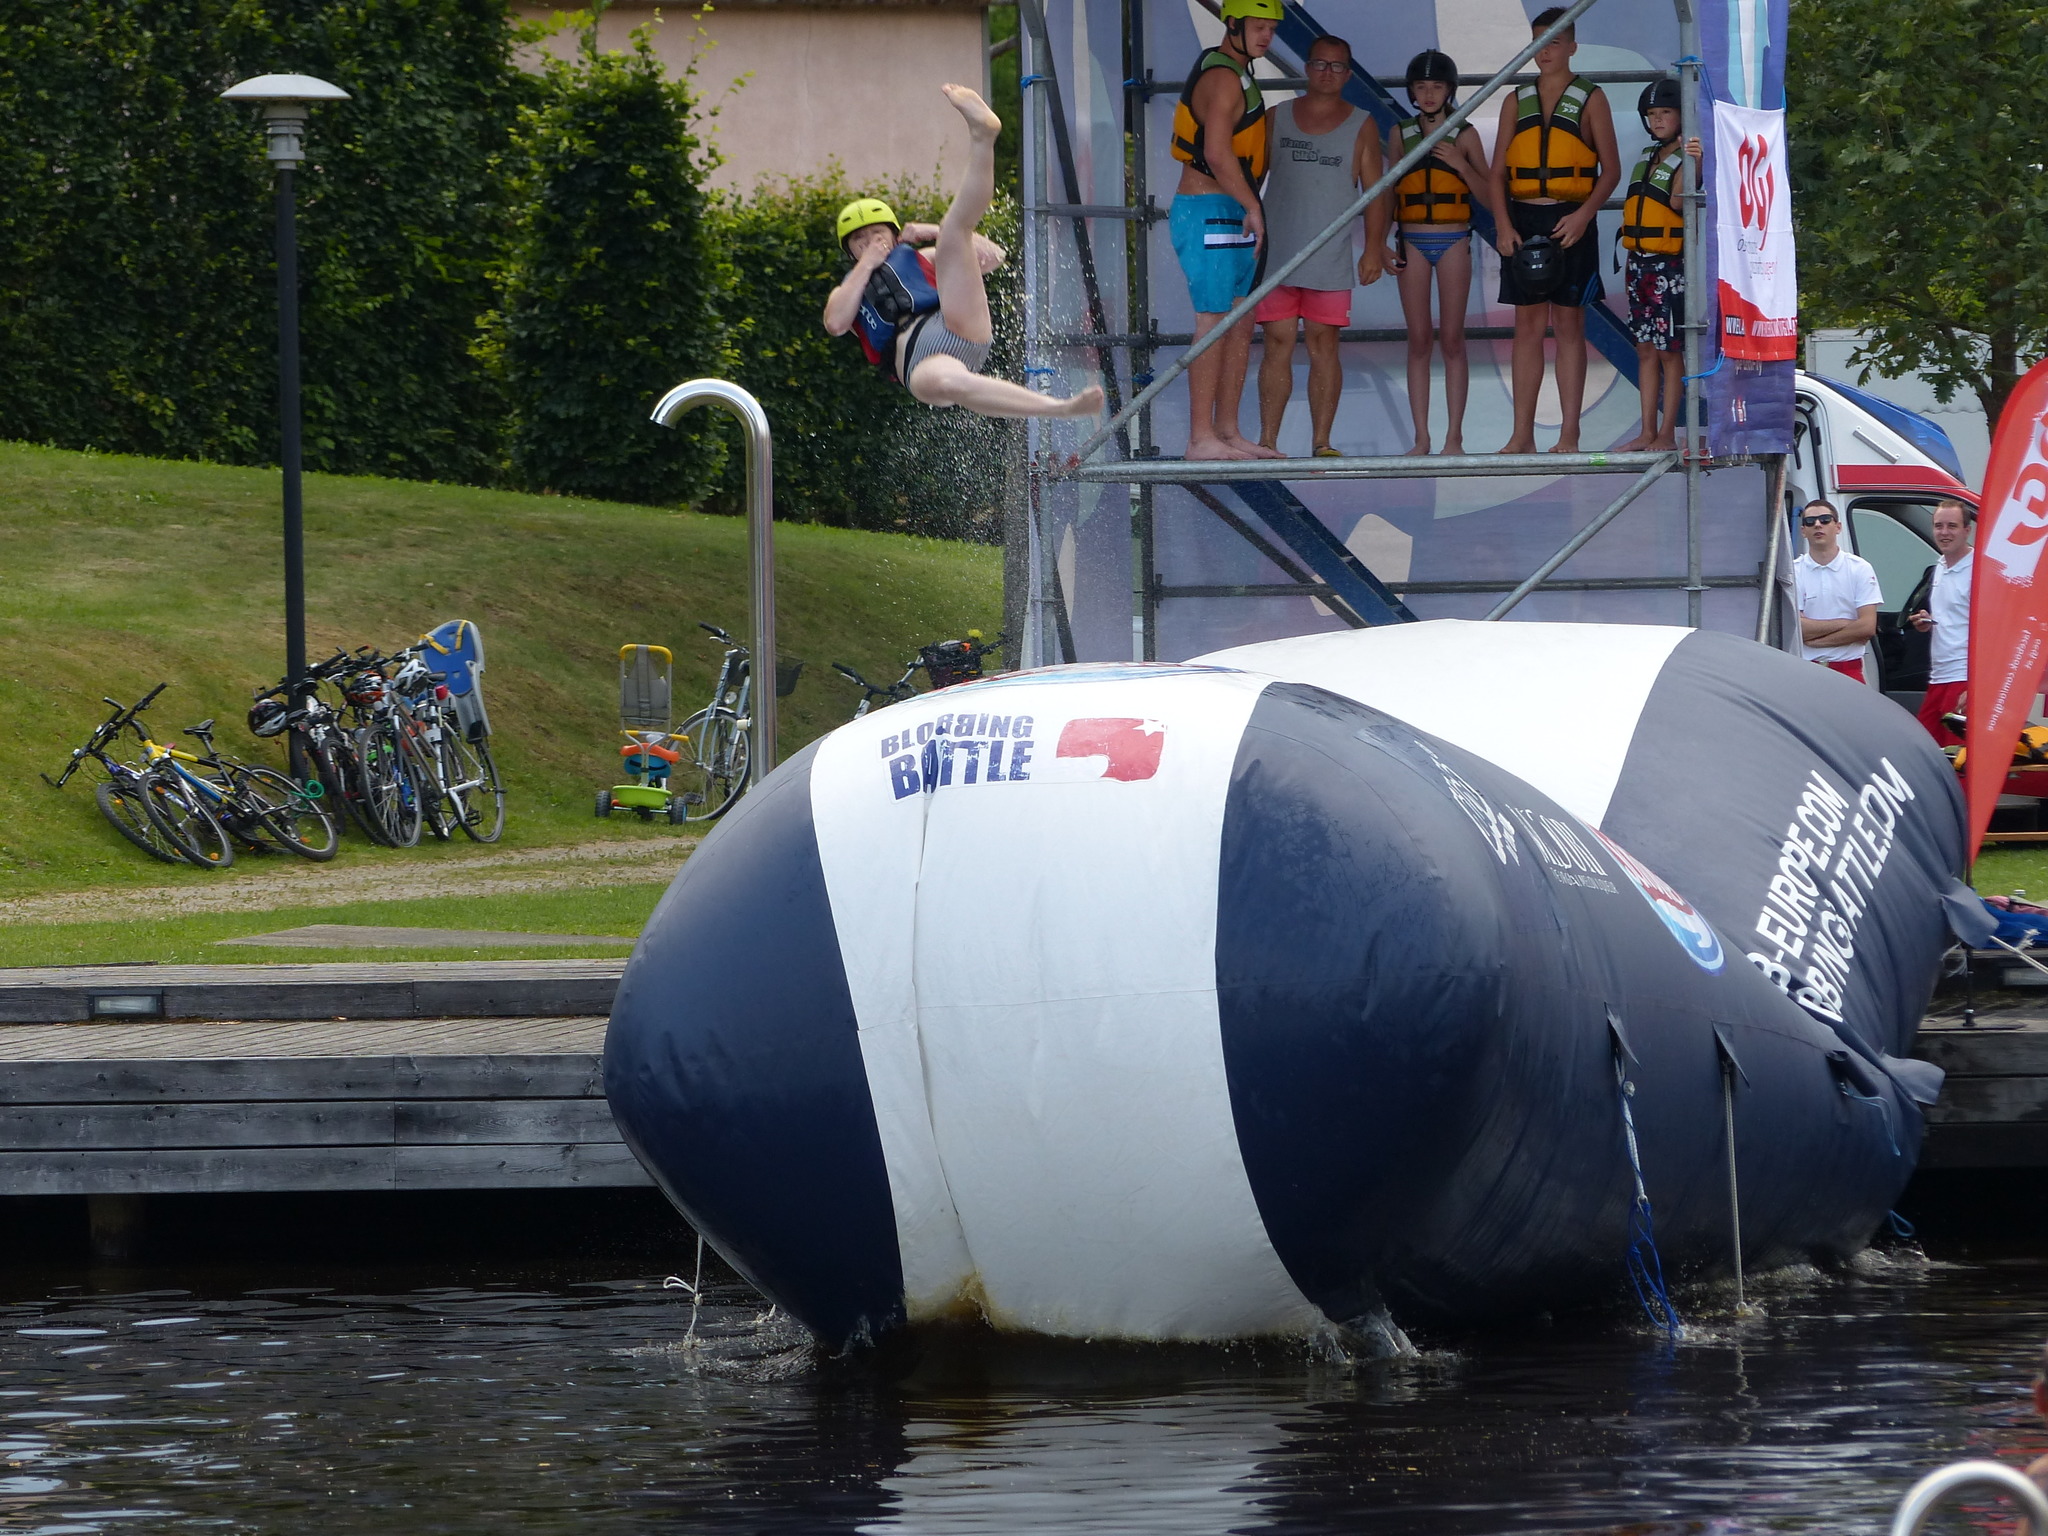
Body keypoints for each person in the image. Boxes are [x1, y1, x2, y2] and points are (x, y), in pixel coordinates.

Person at [823, 86, 1103, 420]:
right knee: (948, 381)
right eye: (860, 241)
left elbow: (993, 257)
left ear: (895, 237)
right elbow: (837, 323)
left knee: (955, 230)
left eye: (876, 234)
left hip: (955, 322)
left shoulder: (922, 257)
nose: (869, 242)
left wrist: (933, 232)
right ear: (851, 252)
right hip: (917, 358)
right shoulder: (847, 291)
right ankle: (1059, 407)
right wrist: (868, 264)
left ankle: (983, 136)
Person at [1489, 6, 1621, 455]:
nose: (1545, 51)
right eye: (1538, 42)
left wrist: (1583, 216)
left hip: (1571, 219)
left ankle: (1569, 434)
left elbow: (1610, 171)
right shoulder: (1515, 99)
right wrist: (1503, 226)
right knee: (1526, 328)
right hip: (1523, 221)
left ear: (1571, 47)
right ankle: (1521, 434)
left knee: (1569, 324)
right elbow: (1496, 175)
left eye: (1554, 42)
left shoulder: (1591, 97)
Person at [1253, 34, 1384, 458]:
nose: (1328, 73)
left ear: (1349, 74)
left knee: (1324, 344)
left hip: (1329, 257)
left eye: (1338, 66)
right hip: (1277, 253)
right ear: (1307, 68)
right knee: (1277, 342)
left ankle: (1322, 441)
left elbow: (1377, 193)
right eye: (1320, 64)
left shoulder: (1361, 123)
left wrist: (1374, 247)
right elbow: (1250, 178)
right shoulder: (1278, 116)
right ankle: (1268, 441)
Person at [1170, 0, 1284, 460]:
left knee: (1240, 322)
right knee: (1214, 321)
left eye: (1271, 29)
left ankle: (1228, 430)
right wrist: (1252, 206)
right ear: (1232, 24)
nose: (1266, 37)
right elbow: (1217, 154)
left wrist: (1248, 207)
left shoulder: (1240, 73)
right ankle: (1200, 438)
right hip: (1208, 209)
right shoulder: (1220, 77)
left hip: (1231, 209)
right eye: (1258, 27)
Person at [1386, 49, 1512, 457]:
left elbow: (1490, 199)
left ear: (1450, 91)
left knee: (1453, 341)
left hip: (1454, 238)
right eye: (1420, 88)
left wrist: (1460, 163)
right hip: (1412, 240)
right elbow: (1387, 193)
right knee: (1419, 340)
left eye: (1435, 87)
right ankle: (1421, 439)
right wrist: (1381, 243)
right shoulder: (1400, 134)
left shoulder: (1465, 134)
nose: (1427, 94)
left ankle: (1454, 438)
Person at [1615, 78, 1702, 452]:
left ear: (1682, 115)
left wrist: (1692, 158)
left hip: (1670, 267)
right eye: (1651, 114)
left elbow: (1681, 202)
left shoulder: (1691, 153)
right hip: (1640, 264)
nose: (1657, 120)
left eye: (1665, 112)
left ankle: (1668, 433)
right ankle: (1647, 432)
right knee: (1645, 349)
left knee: (1670, 350)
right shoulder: (1647, 156)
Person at [1909, 498, 1976, 746]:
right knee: (1929, 751)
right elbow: (1954, 616)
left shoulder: (1978, 570)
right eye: (1938, 526)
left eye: (1952, 526)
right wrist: (1927, 621)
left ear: (1967, 530)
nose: (1944, 533)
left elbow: (1992, 634)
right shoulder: (1940, 565)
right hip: (1939, 677)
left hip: (1963, 678)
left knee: (1958, 757)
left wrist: (1976, 687)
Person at [1793, 500, 1881, 682]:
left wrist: (1816, 642)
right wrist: (1846, 623)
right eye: (1810, 521)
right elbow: (1798, 628)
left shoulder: (1860, 568)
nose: (1818, 524)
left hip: (1849, 670)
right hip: (1807, 672)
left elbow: (1867, 627)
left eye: (1825, 519)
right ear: (1803, 531)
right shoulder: (1793, 571)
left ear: (1838, 527)